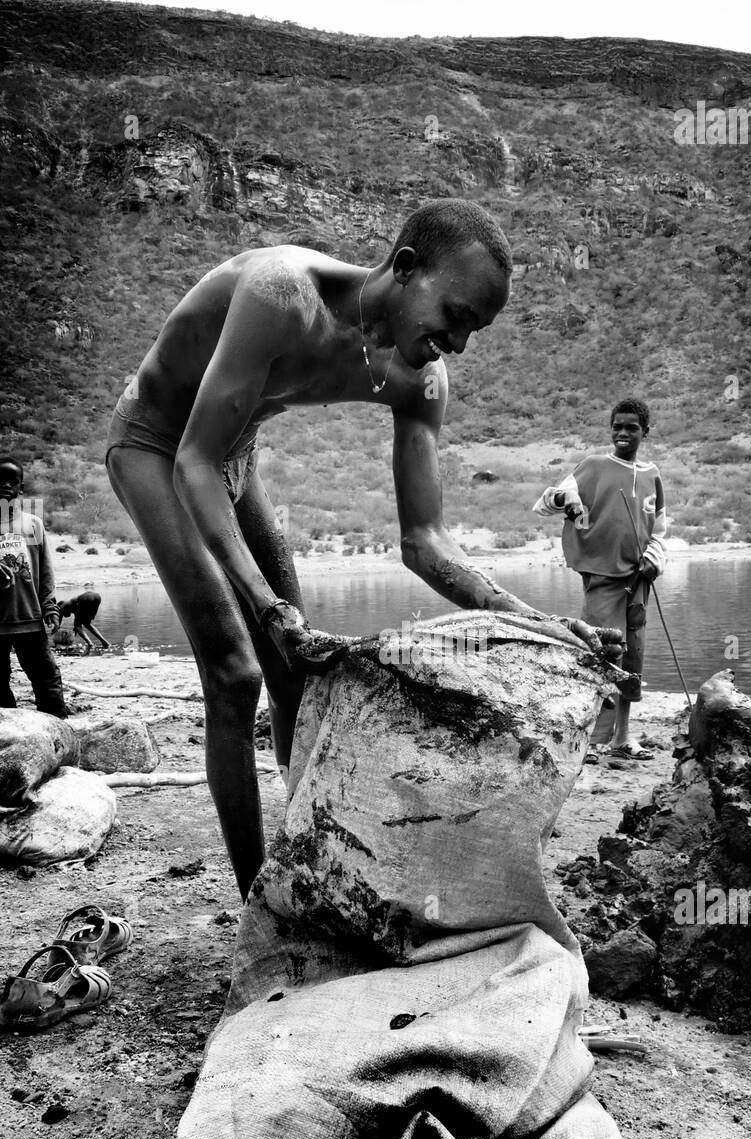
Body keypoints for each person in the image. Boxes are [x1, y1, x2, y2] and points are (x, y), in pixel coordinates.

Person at [105, 199, 620, 899]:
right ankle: (257, 901)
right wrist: (266, 606)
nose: (459, 343)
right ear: (405, 269)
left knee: (294, 671)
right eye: (456, 316)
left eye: (475, 329)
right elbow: (194, 460)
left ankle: (300, 864)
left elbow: (424, 541)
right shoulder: (282, 297)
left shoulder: (421, 377)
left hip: (233, 452)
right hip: (156, 443)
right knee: (235, 671)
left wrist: (537, 623)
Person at [533, 398, 667, 756]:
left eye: (632, 428)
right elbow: (545, 504)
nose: (623, 433)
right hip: (602, 576)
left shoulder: (652, 475)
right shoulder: (593, 466)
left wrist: (654, 559)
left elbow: (659, 530)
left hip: (638, 580)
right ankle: (591, 741)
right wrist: (565, 500)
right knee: (601, 655)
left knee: (632, 655)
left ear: (645, 431)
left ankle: (622, 736)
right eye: (617, 426)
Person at [0, 456, 68, 718]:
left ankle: (58, 730)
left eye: (12, 481)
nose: (5, 485)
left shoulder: (32, 524)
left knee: (46, 679)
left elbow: (46, 571)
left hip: (30, 618)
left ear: (21, 487)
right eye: (0, 480)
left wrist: (50, 607)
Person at [58, 586, 110, 651]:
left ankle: (90, 644)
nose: (65, 616)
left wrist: (56, 629)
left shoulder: (62, 606)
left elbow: (59, 620)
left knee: (78, 625)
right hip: (97, 597)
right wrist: (70, 641)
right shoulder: (72, 606)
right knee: (87, 624)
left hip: (86, 598)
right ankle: (104, 642)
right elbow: (76, 628)